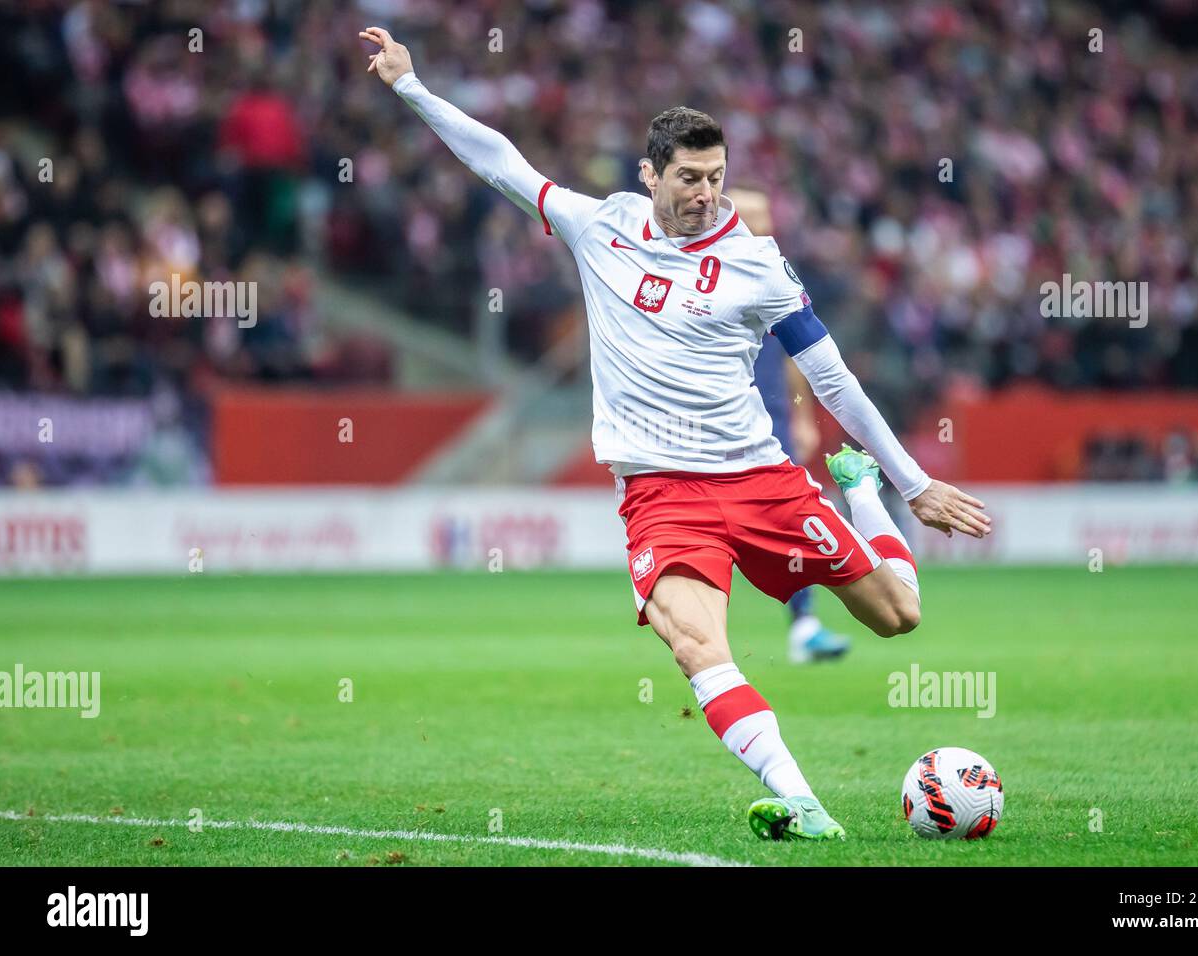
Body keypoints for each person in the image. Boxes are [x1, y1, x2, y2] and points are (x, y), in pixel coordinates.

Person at [362, 27, 991, 842]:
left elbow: (832, 374)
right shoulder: (601, 227)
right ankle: (804, 805)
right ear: (649, 173)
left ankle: (859, 493)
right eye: (689, 177)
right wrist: (412, 87)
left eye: (716, 178)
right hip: (660, 492)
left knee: (898, 616)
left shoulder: (758, 262)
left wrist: (911, 484)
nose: (705, 193)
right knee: (696, 645)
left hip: (760, 479)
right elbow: (501, 162)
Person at [728, 186, 850, 665]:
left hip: (772, 418)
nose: (762, 224)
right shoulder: (704, 275)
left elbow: (796, 355)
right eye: (751, 214)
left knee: (792, 519)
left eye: (765, 214)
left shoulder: (776, 276)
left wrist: (801, 416)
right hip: (719, 421)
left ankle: (805, 623)